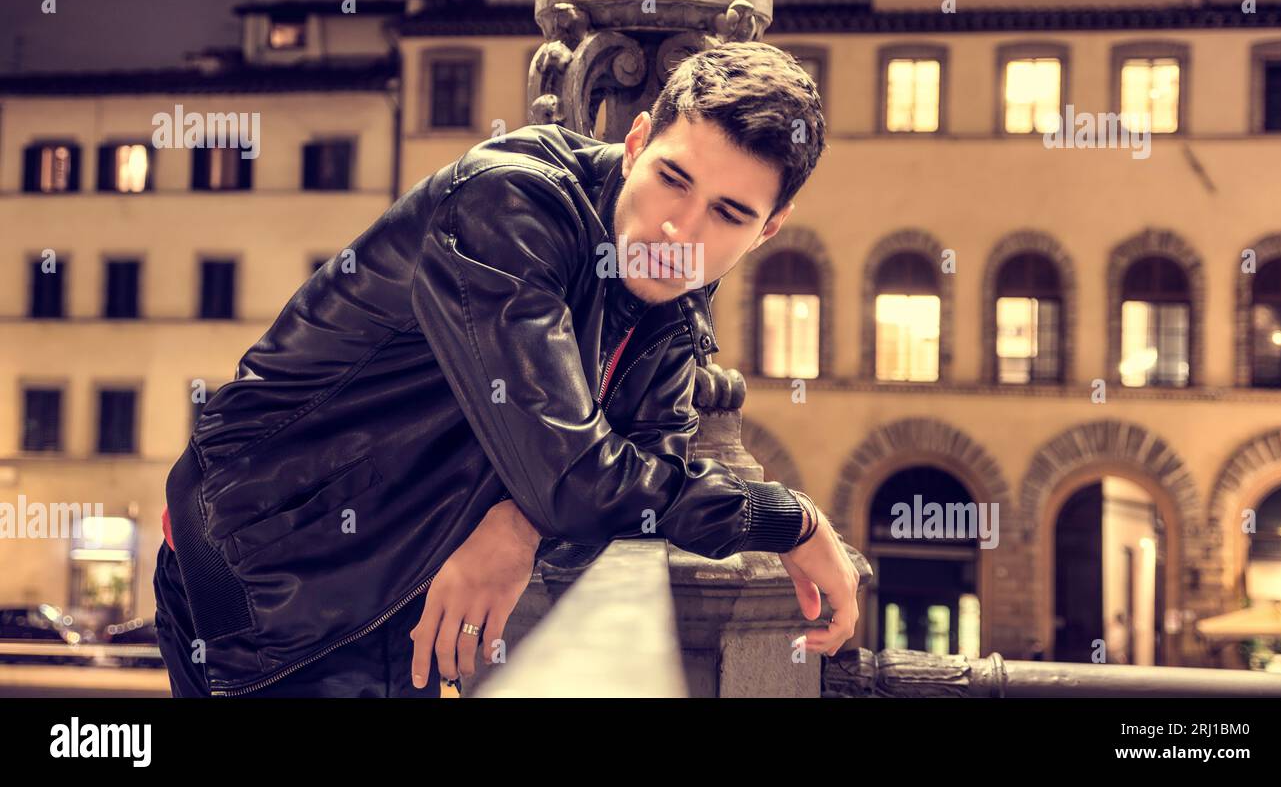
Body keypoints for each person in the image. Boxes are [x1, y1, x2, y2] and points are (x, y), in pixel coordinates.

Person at [153, 40, 859, 697]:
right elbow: (579, 479)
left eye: (728, 214)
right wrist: (786, 521)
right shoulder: (507, 204)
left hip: (408, 592)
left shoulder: (672, 286)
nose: (682, 229)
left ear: (768, 227)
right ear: (637, 140)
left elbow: (645, 462)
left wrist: (520, 522)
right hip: (272, 573)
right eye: (673, 179)